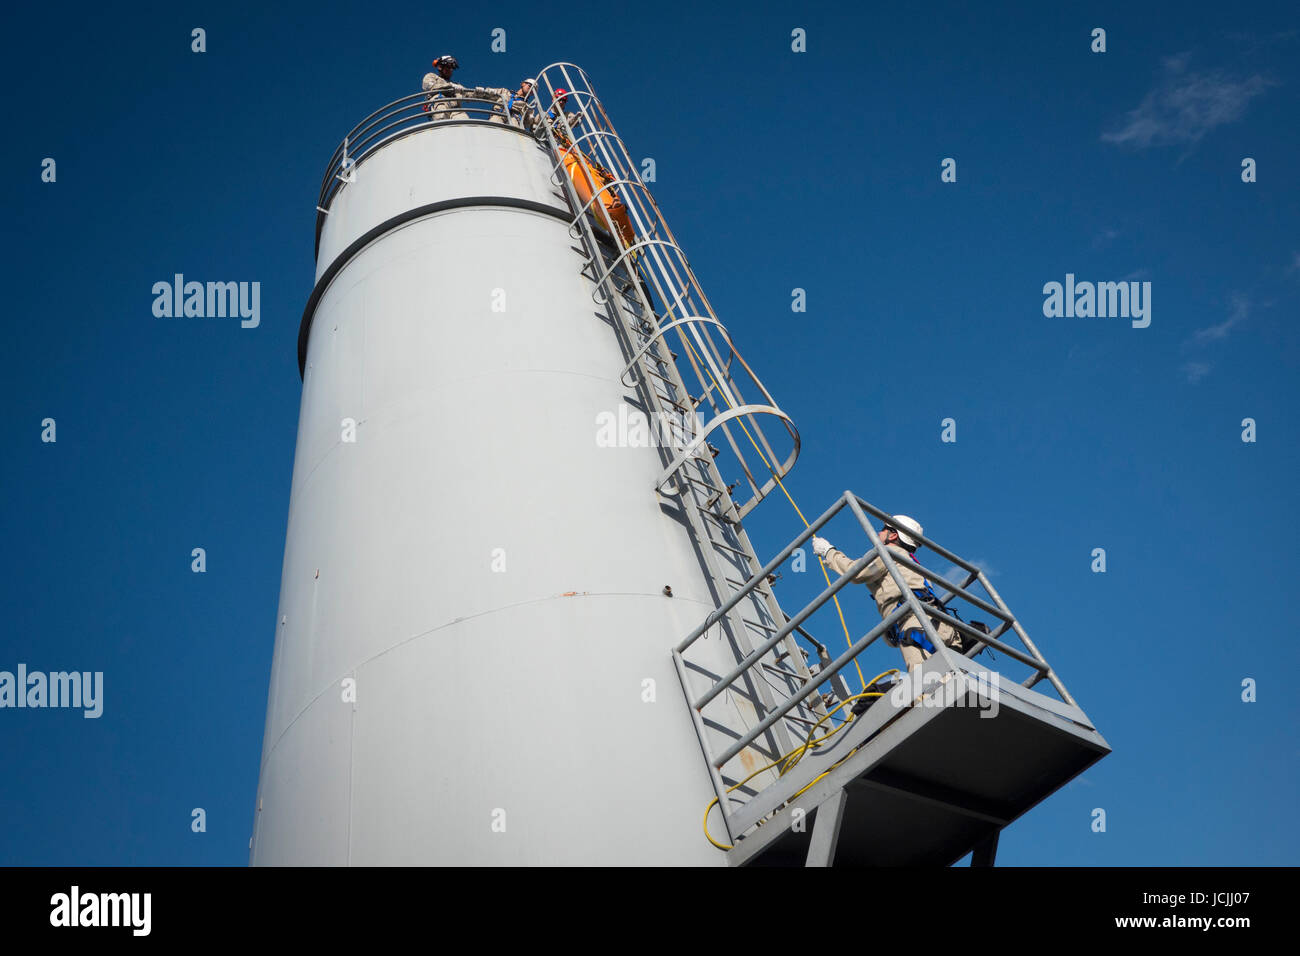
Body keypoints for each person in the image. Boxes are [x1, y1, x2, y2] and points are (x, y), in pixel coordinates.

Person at [812, 515, 962, 676]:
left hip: (918, 625)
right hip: (939, 624)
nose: (879, 532)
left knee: (927, 687)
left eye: (884, 529)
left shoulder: (889, 552)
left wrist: (828, 552)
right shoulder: (908, 561)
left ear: (893, 535)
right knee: (948, 683)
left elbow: (857, 572)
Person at [422, 55, 467, 121]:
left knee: (463, 119)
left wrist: (482, 93)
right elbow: (432, 87)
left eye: (452, 68)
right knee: (441, 107)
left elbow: (468, 93)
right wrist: (451, 87)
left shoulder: (456, 85)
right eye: (448, 67)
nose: (451, 70)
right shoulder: (431, 77)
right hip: (439, 103)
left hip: (455, 109)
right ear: (440, 67)